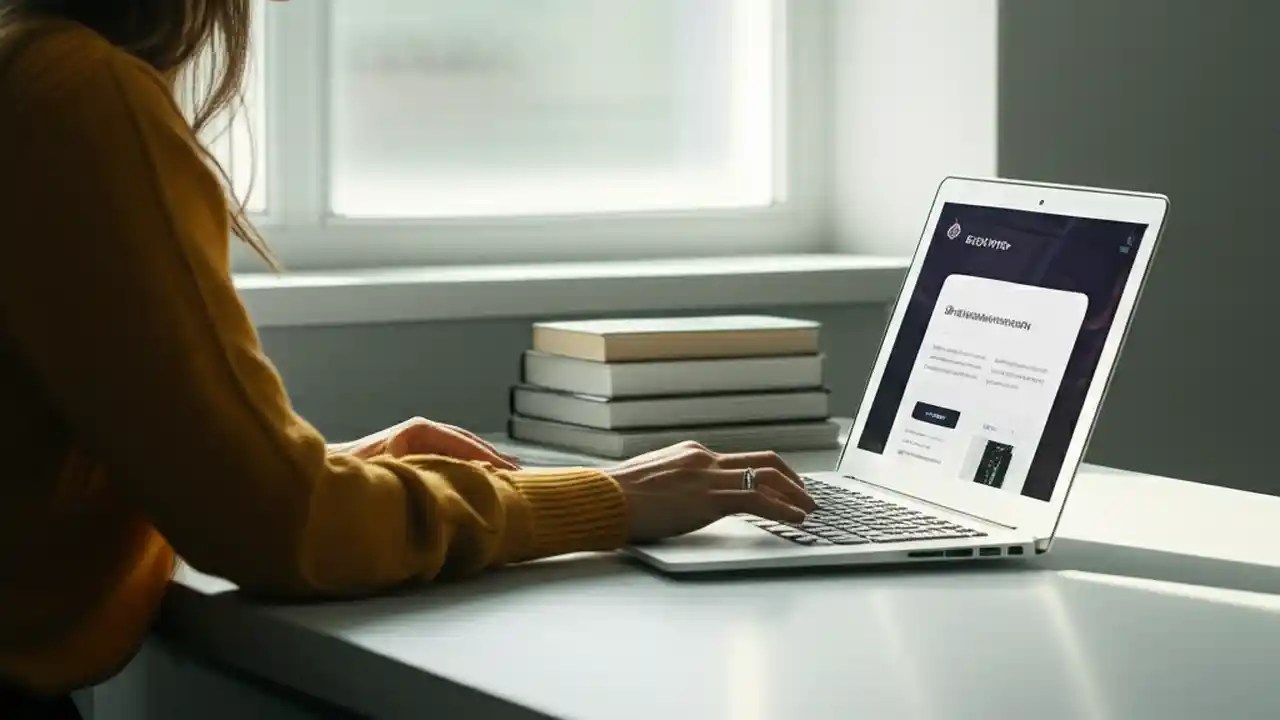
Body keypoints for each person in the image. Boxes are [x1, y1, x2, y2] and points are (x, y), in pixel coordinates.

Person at [0, 0, 817, 716]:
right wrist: (605, 498)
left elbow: (151, 473)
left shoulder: (28, 63)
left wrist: (326, 472)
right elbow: (281, 529)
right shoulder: (77, 94)